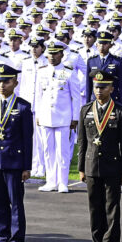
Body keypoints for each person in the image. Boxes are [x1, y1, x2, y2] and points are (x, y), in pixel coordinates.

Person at [77, 70, 122, 242]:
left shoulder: (121, 112)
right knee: (95, 209)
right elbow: (82, 142)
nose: (99, 91)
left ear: (111, 88)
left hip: (112, 166)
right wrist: (81, 168)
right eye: (96, 87)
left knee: (112, 208)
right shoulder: (86, 110)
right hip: (91, 166)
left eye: (103, 87)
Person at [0, 64, 32, 242]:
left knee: (15, 203)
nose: (2, 85)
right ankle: (1, 239)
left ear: (15, 83)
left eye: (6, 81)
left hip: (14, 161)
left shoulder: (23, 106)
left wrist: (26, 166)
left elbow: (27, 138)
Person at [34, 41, 82, 192]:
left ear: (62, 54)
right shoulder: (41, 71)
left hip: (63, 117)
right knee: (48, 150)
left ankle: (62, 182)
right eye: (50, 53)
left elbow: (76, 97)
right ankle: (51, 181)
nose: (52, 57)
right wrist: (38, 114)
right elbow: (39, 96)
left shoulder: (69, 72)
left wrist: (75, 118)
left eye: (55, 53)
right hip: (46, 116)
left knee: (63, 152)